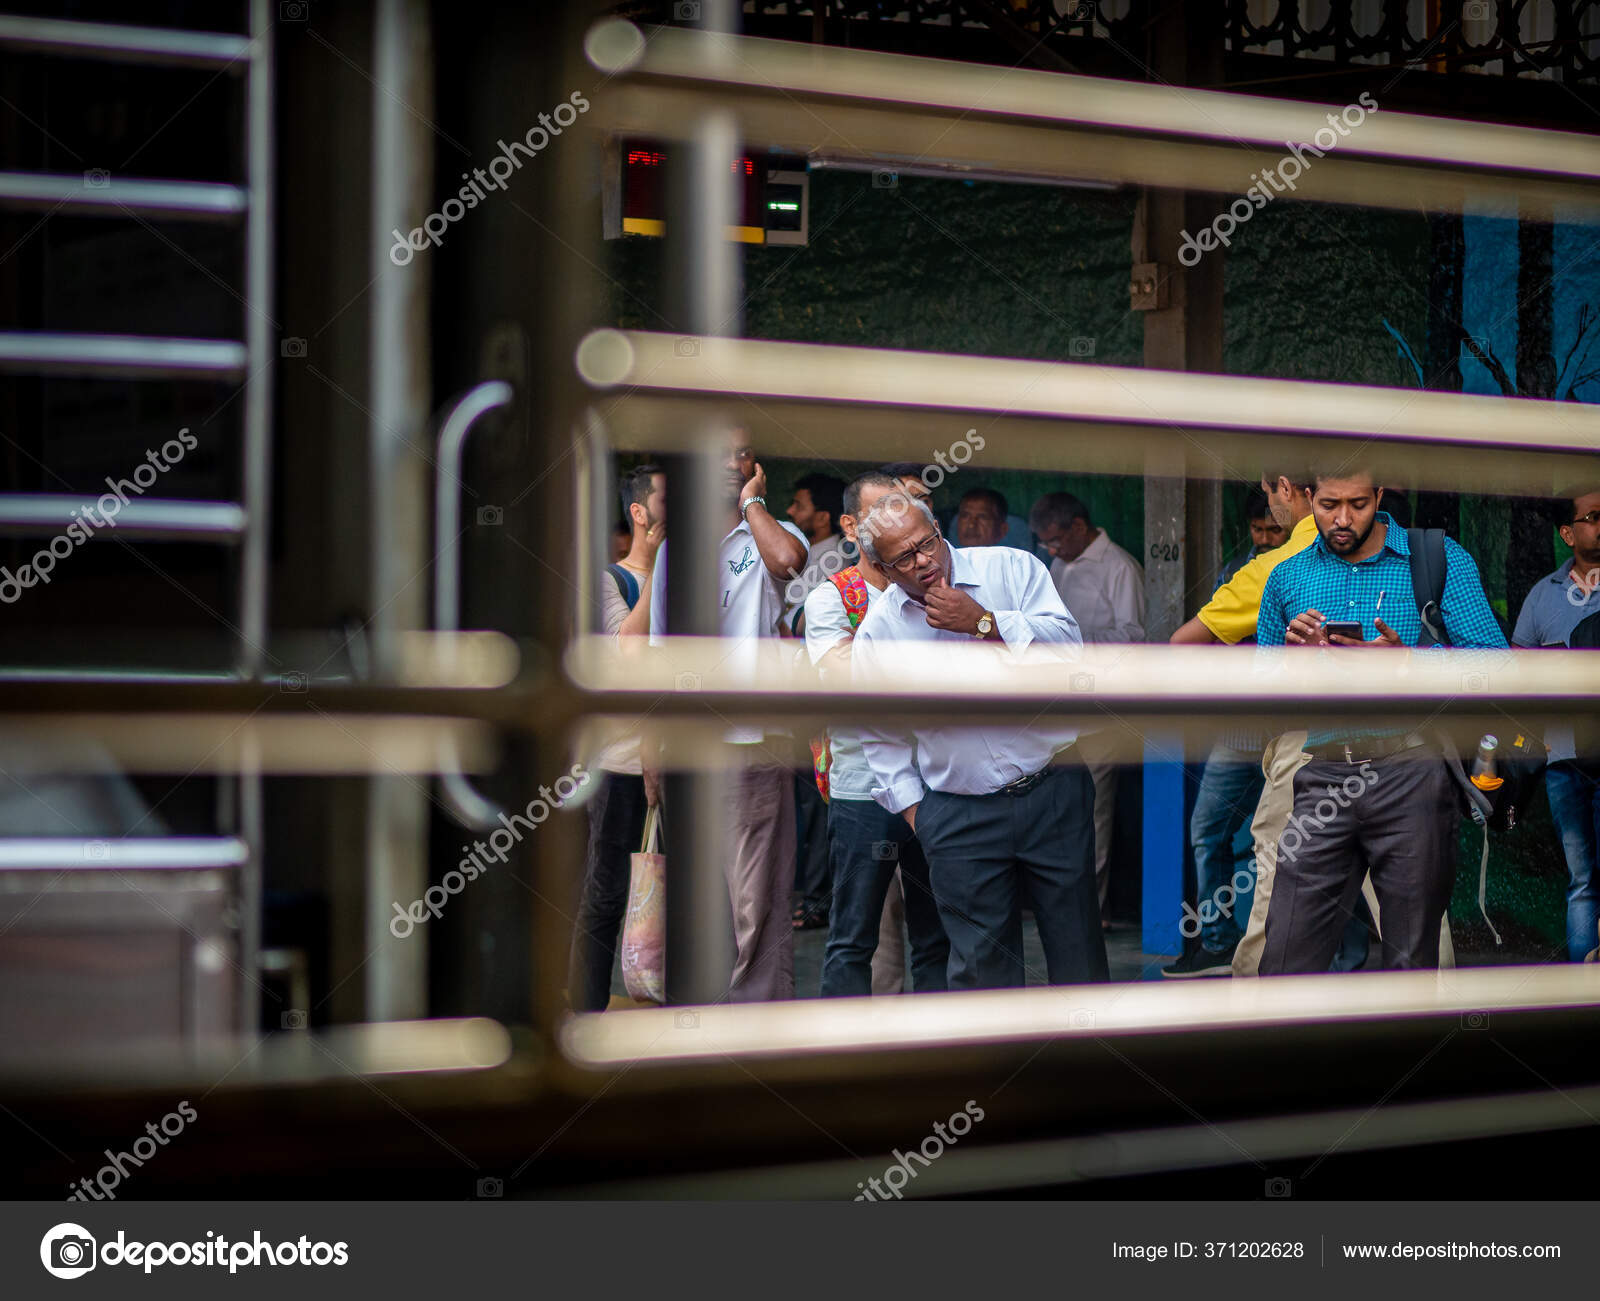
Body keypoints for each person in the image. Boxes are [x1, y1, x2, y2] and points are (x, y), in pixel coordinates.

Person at [851, 492, 1108, 989]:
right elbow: (880, 738)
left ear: (939, 533)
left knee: (1078, 951)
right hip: (958, 815)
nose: (923, 560)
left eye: (926, 543)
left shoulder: (1012, 568)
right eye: (904, 557)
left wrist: (985, 623)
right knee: (981, 971)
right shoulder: (878, 634)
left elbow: (1071, 652)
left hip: (1053, 788)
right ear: (883, 569)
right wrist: (920, 816)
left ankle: (1089, 1062)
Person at [1256, 468, 1507, 974]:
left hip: (1412, 772)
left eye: (1357, 504)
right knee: (1283, 960)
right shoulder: (1287, 576)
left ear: (1379, 497)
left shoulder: (1438, 558)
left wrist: (1408, 664)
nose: (1343, 519)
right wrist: (1292, 663)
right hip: (1322, 778)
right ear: (1307, 497)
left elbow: (1498, 668)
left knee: (1411, 962)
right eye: (1328, 505)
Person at [645, 431, 809, 1001]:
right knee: (700, 898)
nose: (726, 462)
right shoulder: (676, 547)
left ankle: (757, 1033)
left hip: (751, 741)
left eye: (739, 452)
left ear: (754, 466)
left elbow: (789, 563)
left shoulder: (769, 535)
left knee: (755, 902)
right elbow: (660, 651)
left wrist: (752, 503)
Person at [804, 472, 949, 996]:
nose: (896, 518)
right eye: (880, 511)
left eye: (903, 506)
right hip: (864, 790)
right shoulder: (830, 599)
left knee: (938, 937)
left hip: (937, 781)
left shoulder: (936, 585)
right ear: (850, 527)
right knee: (853, 938)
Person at [569, 465, 665, 1010]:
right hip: (621, 760)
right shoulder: (607, 580)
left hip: (685, 756)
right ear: (638, 511)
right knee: (607, 890)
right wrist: (659, 566)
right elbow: (629, 645)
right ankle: (586, 1010)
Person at [1029, 491, 1145, 926]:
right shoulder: (1059, 565)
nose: (1052, 551)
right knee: (1059, 811)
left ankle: (1088, 912)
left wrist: (1072, 648)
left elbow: (1133, 637)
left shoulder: (1120, 567)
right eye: (1046, 545)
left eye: (1056, 540)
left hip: (1099, 713)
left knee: (1094, 815)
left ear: (1079, 526)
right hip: (1055, 710)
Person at [1511, 485, 1600, 961]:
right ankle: (1586, 988)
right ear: (1567, 533)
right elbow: (1519, 670)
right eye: (1592, 517)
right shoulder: (1543, 595)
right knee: (1582, 879)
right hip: (1564, 758)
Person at [784, 474, 849, 931]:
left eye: (799, 504)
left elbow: (797, 624)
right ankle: (815, 898)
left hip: (823, 697)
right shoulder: (815, 557)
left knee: (819, 800)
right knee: (812, 801)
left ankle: (819, 901)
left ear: (824, 518)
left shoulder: (835, 560)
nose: (791, 511)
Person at [1216, 487, 1286, 589]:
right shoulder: (1232, 572)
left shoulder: (1302, 571)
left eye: (1275, 530)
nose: (1265, 539)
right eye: (1258, 530)